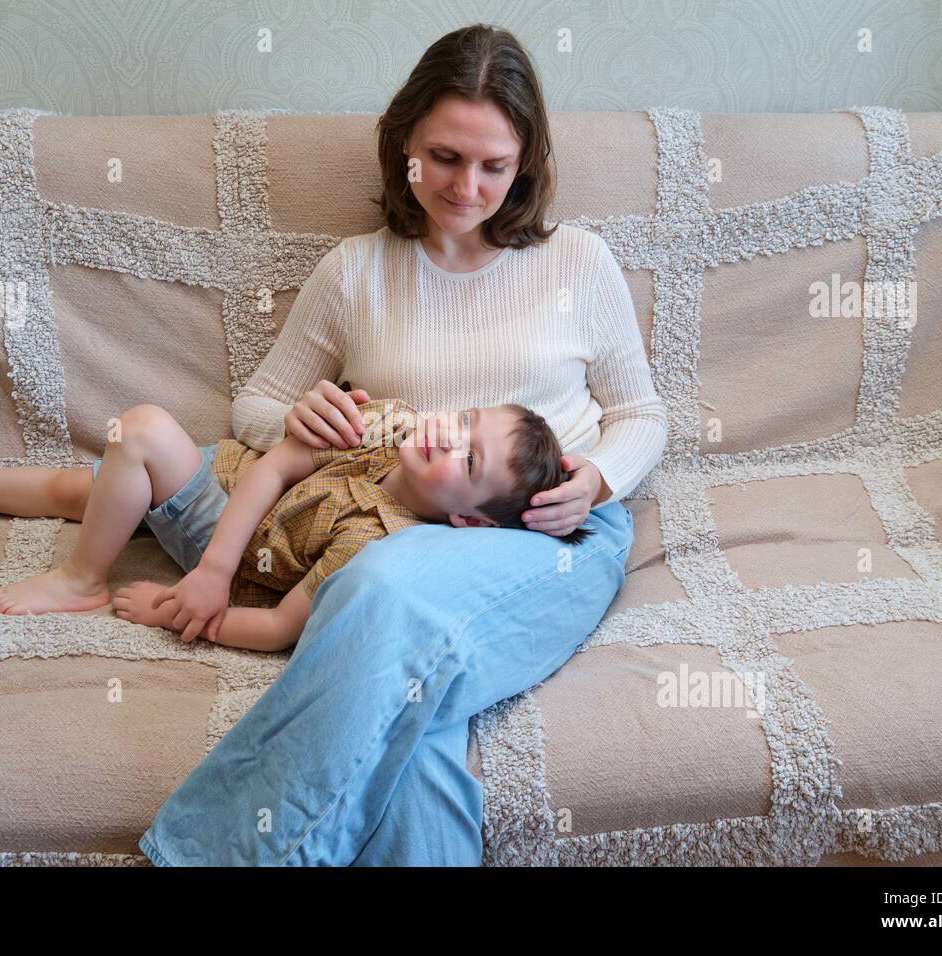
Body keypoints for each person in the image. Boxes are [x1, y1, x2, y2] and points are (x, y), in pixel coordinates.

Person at [145, 22, 667, 865]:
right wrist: (294, 423)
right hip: (396, 514)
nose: (468, 187)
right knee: (418, 729)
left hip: (538, 538)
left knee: (382, 588)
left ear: (526, 163)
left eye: (496, 165)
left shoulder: (579, 262)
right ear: (403, 149)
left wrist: (600, 478)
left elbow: (643, 413)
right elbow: (258, 406)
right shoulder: (355, 271)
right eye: (446, 158)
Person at [0, 396, 590, 651]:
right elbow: (274, 466)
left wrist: (184, 609)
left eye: (466, 458)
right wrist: (212, 567)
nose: (444, 436)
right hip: (228, 489)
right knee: (76, 485)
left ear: (463, 516)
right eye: (461, 420)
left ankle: (80, 579)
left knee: (142, 428)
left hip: (245, 547)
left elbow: (287, 626)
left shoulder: (379, 541)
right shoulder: (389, 422)